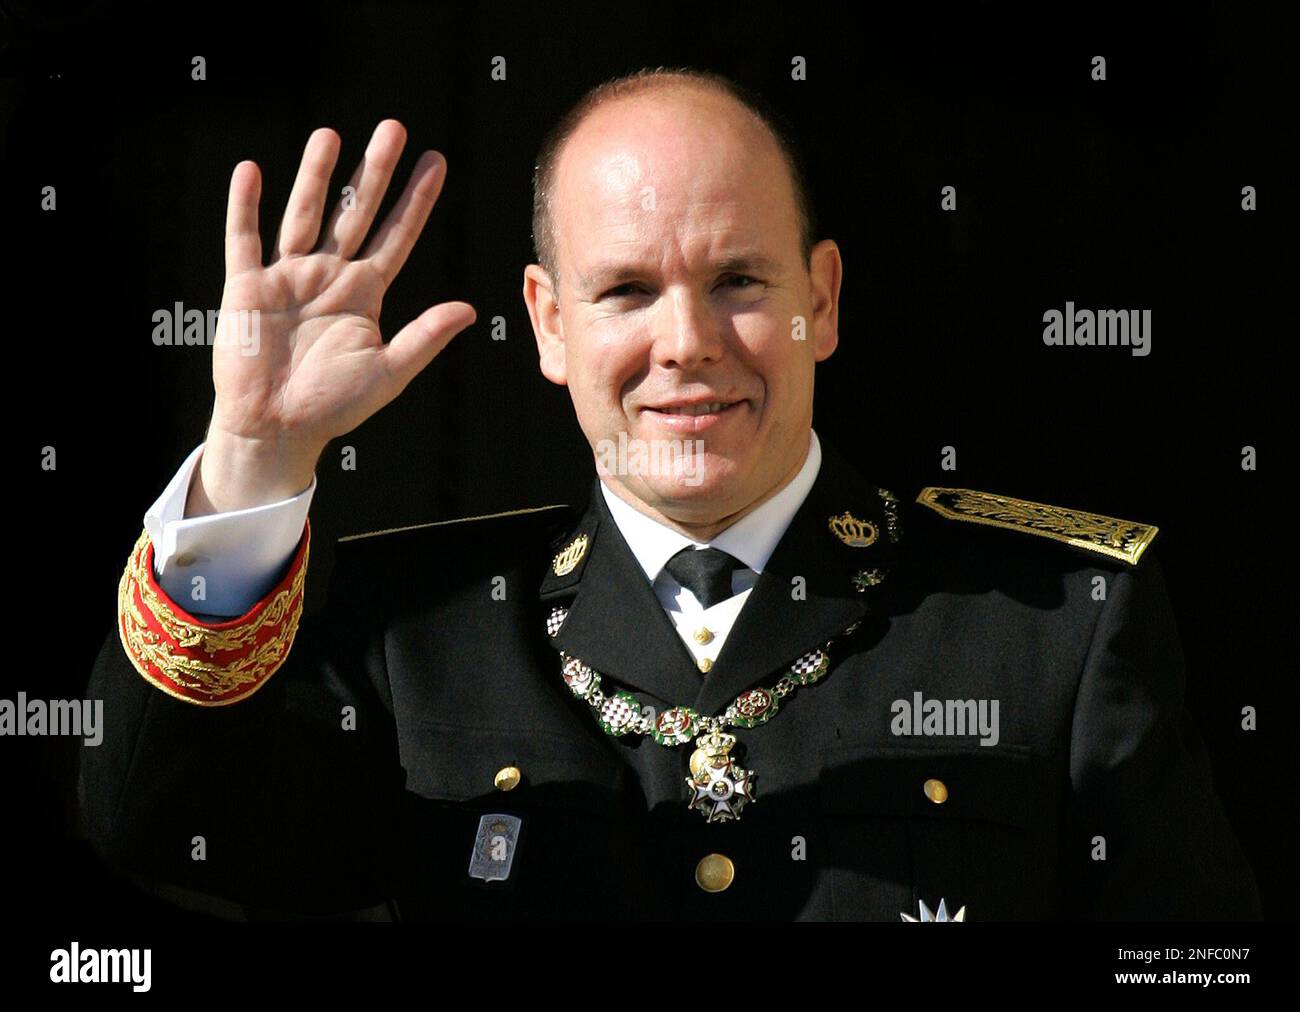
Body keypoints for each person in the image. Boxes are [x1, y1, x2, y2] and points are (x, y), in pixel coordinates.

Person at [80, 67, 1261, 921]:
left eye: (738, 279)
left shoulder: (1050, 625)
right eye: (626, 290)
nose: (686, 343)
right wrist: (253, 454)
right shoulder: (420, 635)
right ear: (547, 322)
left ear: (824, 298)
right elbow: (159, 825)